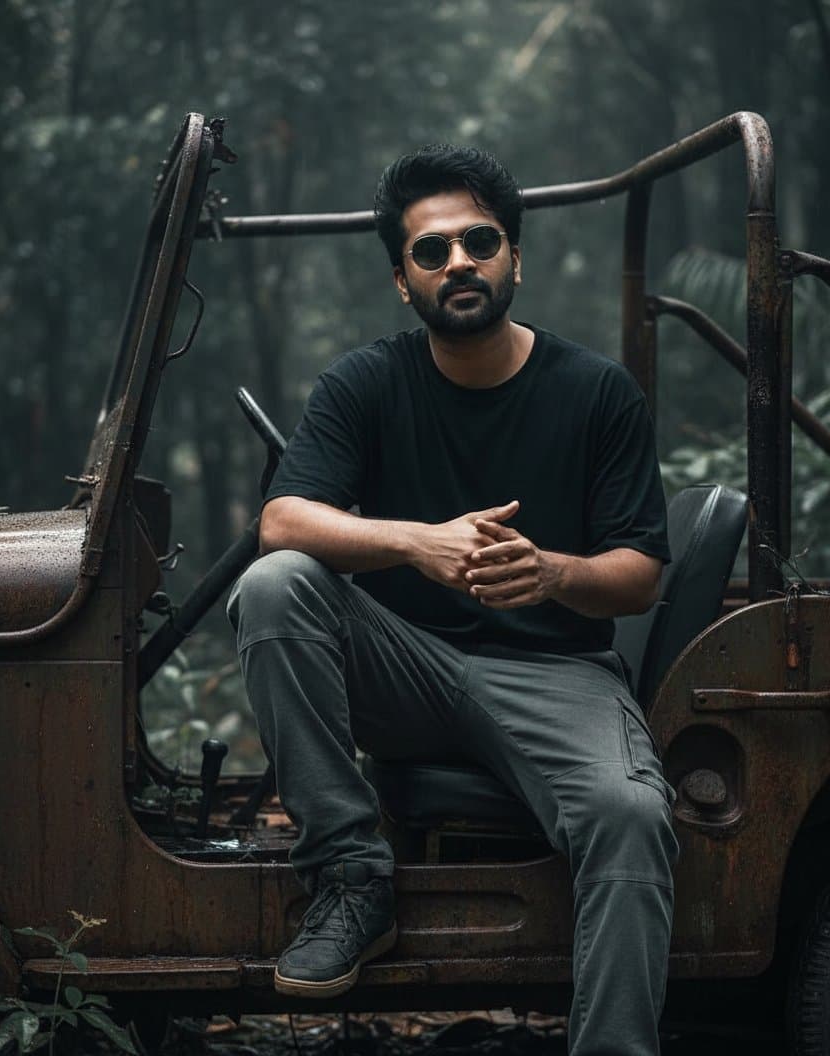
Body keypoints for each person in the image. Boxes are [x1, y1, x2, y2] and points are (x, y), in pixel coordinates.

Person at [228, 144, 679, 1056]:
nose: (459, 262)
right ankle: (351, 879)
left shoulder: (597, 393)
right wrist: (418, 543)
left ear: (515, 259)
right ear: (404, 282)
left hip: (558, 673)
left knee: (631, 816)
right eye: (431, 251)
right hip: (407, 670)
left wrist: (552, 573)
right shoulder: (366, 382)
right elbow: (280, 520)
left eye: (480, 241)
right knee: (275, 584)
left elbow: (640, 573)